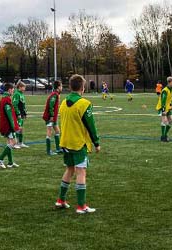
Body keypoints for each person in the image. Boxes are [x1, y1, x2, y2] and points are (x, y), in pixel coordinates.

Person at [54, 74, 100, 214]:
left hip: (65, 142)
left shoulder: (63, 102)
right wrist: (96, 142)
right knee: (81, 172)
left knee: (70, 169)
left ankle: (61, 200)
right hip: (78, 143)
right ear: (83, 88)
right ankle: (81, 206)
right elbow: (90, 125)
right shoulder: (84, 104)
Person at [0, 83, 21, 169]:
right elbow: (9, 115)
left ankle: (10, 162)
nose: (13, 90)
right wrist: (14, 126)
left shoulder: (5, 99)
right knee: (13, 142)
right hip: (8, 126)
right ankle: (0, 158)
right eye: (13, 89)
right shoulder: (6, 100)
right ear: (9, 89)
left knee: (9, 143)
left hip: (7, 125)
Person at [43, 80, 63, 155]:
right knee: (49, 132)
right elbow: (51, 105)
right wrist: (51, 115)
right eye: (61, 86)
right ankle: (48, 151)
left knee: (57, 131)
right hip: (49, 117)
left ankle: (58, 149)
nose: (62, 88)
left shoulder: (56, 94)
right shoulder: (54, 95)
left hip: (53, 117)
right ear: (58, 87)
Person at [156, 77, 172, 142]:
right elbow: (163, 101)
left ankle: (165, 135)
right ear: (169, 82)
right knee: (165, 121)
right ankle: (163, 137)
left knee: (171, 121)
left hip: (167, 107)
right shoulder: (165, 90)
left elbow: (169, 99)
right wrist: (163, 110)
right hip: (162, 107)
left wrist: (170, 105)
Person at [12, 82, 29, 148]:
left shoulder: (21, 94)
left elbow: (23, 105)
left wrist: (24, 112)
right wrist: (18, 113)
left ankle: (20, 143)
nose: (24, 88)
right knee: (17, 128)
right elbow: (15, 105)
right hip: (17, 114)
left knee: (21, 128)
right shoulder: (16, 94)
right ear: (19, 87)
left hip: (21, 114)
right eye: (23, 87)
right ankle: (15, 144)